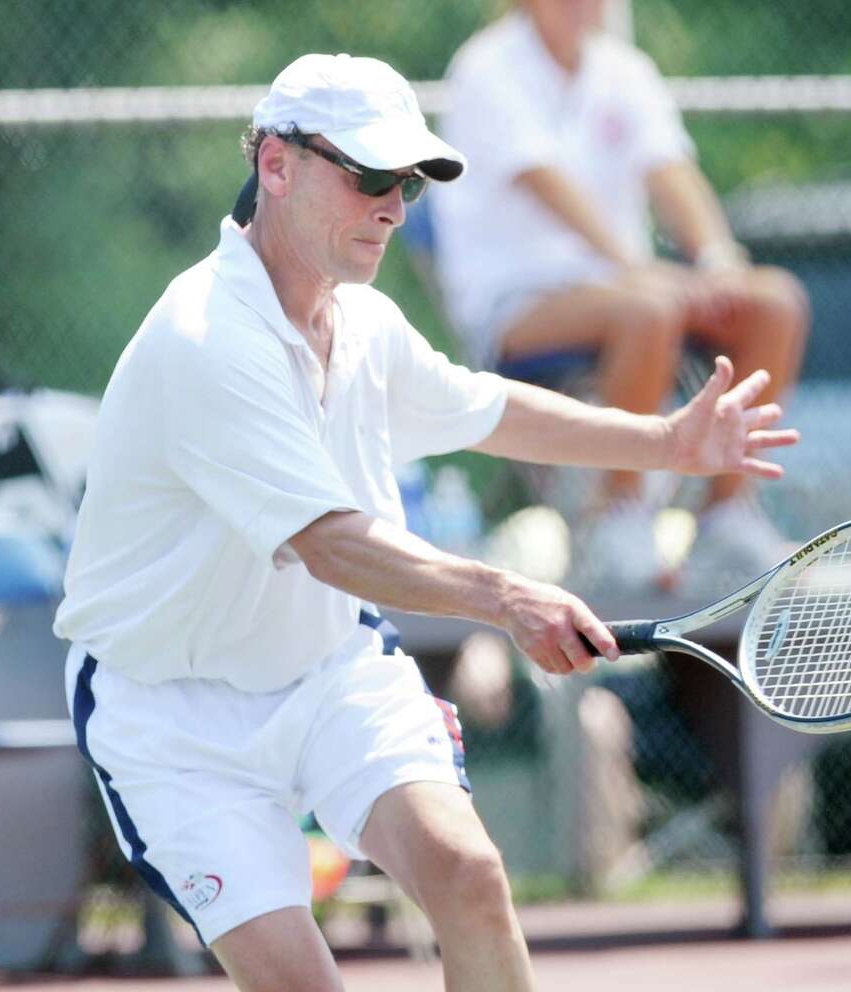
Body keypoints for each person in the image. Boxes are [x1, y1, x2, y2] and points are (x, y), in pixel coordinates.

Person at [53, 53, 797, 992]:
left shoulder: (361, 319)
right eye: (367, 177)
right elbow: (330, 543)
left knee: (470, 876)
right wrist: (506, 596)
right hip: (170, 712)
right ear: (274, 165)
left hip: (328, 672)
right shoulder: (206, 338)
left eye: (406, 183)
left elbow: (484, 408)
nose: (394, 208)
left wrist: (667, 443)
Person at [433, 0, 809, 591]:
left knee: (773, 301)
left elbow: (671, 173)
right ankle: (620, 514)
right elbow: (548, 185)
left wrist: (719, 262)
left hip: (627, 290)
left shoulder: (624, 67)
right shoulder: (486, 68)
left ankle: (726, 516)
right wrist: (642, 271)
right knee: (650, 309)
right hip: (516, 306)